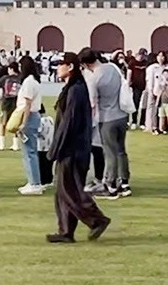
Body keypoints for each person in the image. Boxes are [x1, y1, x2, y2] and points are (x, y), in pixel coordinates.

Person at [46, 52, 111, 244]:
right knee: (63, 192)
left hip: (73, 150)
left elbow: (69, 124)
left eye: (61, 65)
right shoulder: (73, 88)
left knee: (70, 191)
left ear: (71, 67)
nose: (58, 68)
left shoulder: (76, 90)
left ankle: (97, 219)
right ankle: (66, 231)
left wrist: (55, 149)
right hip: (72, 148)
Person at [81, 48, 131, 199]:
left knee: (110, 152)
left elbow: (93, 102)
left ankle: (110, 185)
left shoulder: (93, 78)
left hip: (107, 117)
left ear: (85, 64)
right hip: (121, 114)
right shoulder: (113, 68)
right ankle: (124, 182)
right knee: (121, 150)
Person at [14, 55, 46, 196]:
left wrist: (23, 123)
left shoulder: (28, 82)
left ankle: (35, 183)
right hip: (34, 115)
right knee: (29, 151)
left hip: (29, 116)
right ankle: (33, 181)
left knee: (30, 151)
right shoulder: (34, 81)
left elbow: (27, 104)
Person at [0, 61, 22, 151]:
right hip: (17, 103)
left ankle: (1, 144)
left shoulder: (5, 78)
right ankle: (15, 144)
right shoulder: (21, 78)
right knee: (16, 123)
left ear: (11, 69)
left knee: (3, 123)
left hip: (6, 103)